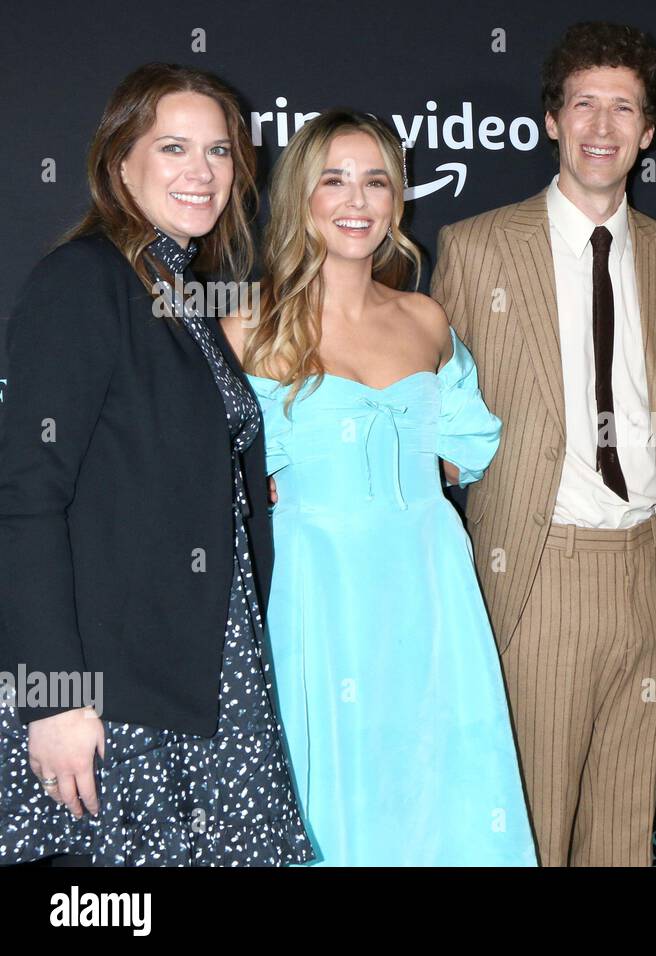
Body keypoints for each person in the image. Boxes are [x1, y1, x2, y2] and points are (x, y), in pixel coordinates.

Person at [0, 63, 311, 866]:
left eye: (218, 152)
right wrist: (54, 697)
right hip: (115, 693)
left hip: (202, 670)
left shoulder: (178, 291)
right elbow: (25, 498)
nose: (201, 173)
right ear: (118, 161)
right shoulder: (84, 280)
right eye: (174, 148)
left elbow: (148, 457)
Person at [431, 21, 656, 866]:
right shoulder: (477, 245)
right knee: (531, 834)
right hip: (534, 570)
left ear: (648, 130)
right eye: (583, 104)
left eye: (622, 108)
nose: (602, 126)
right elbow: (435, 412)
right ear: (551, 121)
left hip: (646, 574)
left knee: (624, 836)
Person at [222, 110, 535, 866]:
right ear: (301, 196)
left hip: (430, 583)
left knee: (439, 778)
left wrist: (407, 476)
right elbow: (210, 470)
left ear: (398, 199)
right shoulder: (249, 327)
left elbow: (471, 439)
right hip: (322, 589)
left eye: (375, 181)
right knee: (338, 784)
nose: (356, 200)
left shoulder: (426, 318)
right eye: (334, 179)